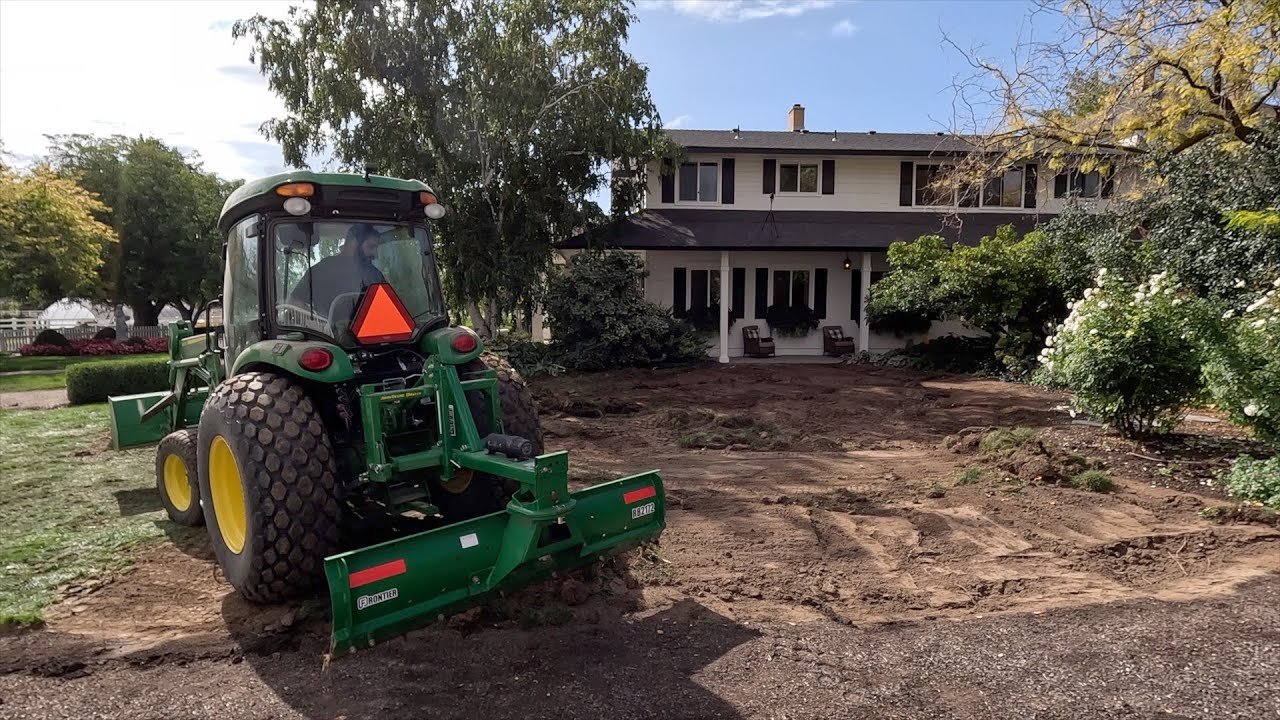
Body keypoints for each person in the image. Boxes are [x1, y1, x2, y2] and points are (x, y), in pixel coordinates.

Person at [288, 223, 388, 317]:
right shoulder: (322, 270)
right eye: (371, 247)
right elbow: (294, 303)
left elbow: (387, 308)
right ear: (353, 243)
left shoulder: (375, 275)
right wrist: (321, 324)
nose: (376, 254)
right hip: (327, 335)